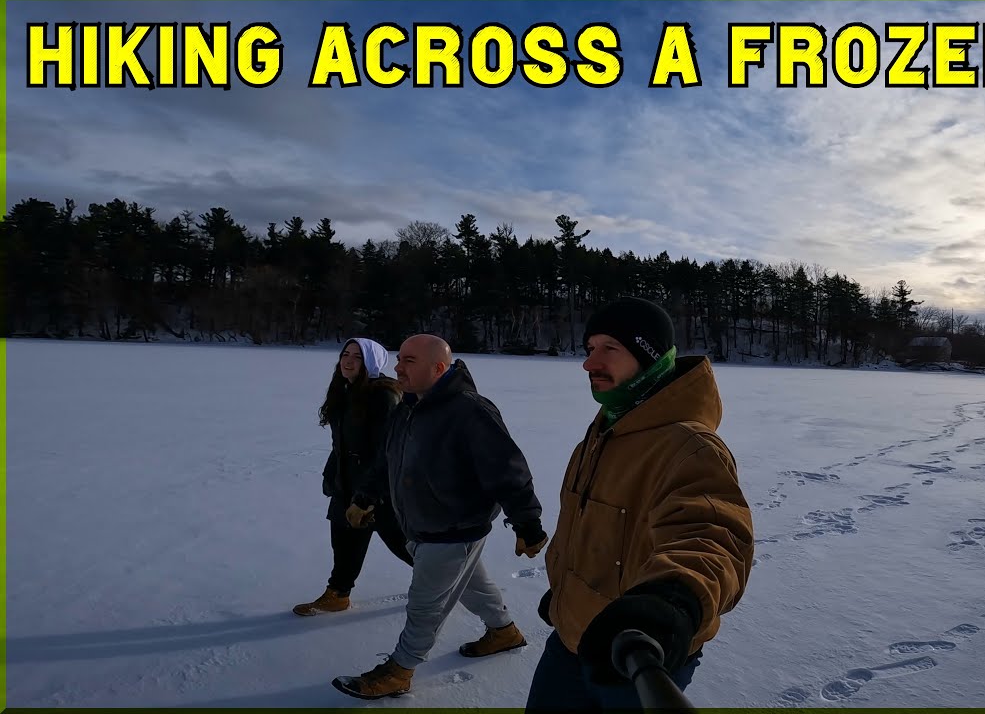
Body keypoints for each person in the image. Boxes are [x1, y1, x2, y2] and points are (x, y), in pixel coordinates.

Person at [525, 297, 754, 710]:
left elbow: (712, 536)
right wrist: (567, 593)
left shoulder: (689, 446)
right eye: (589, 348)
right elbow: (591, 534)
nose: (589, 363)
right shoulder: (603, 434)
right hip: (572, 638)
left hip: (637, 652)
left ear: (649, 358)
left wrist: (669, 603)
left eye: (609, 349)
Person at [333, 333, 548, 700]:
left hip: (454, 526)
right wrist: (365, 496)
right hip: (421, 522)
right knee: (472, 586)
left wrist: (527, 522)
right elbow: (388, 458)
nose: (397, 367)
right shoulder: (410, 405)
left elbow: (507, 469)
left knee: (425, 604)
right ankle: (503, 631)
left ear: (438, 367)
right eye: (399, 359)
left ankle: (400, 669)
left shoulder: (470, 410)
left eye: (409, 361)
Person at [294, 337, 413, 617]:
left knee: (404, 545)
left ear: (371, 362)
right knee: (344, 539)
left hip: (377, 490)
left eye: (357, 357)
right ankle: (338, 593)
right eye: (345, 354)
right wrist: (332, 474)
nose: (347, 361)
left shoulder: (383, 395)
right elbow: (343, 443)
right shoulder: (345, 391)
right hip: (346, 483)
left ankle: (449, 584)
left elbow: (387, 452)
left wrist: (369, 495)